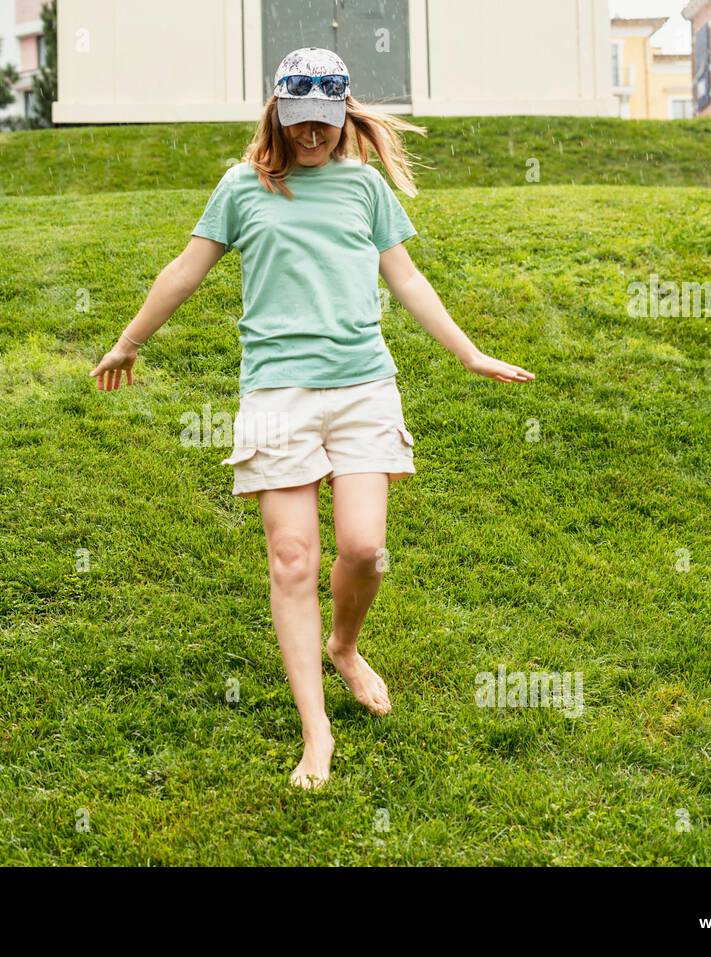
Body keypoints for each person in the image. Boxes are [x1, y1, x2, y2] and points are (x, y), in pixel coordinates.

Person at [89, 47, 535, 789]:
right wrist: (128, 341)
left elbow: (409, 278)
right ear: (278, 113)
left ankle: (345, 646)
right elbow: (185, 269)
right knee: (292, 560)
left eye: (324, 122)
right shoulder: (242, 188)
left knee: (363, 548)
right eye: (298, 121)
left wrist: (469, 352)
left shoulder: (364, 190)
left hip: (363, 388)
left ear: (343, 115)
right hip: (277, 395)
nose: (311, 135)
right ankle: (316, 730)